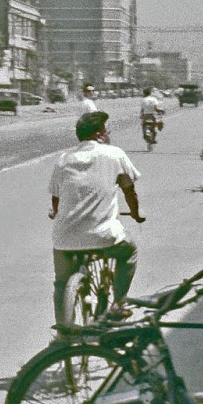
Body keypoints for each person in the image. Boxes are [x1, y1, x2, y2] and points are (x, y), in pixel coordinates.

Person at [48, 110, 143, 327]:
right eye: (107, 131)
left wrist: (57, 212)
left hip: (65, 238)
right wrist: (136, 214)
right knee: (129, 251)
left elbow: (56, 198)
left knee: (61, 283)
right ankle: (118, 304)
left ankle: (63, 332)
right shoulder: (114, 154)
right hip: (104, 235)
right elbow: (129, 191)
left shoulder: (63, 159)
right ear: (100, 134)